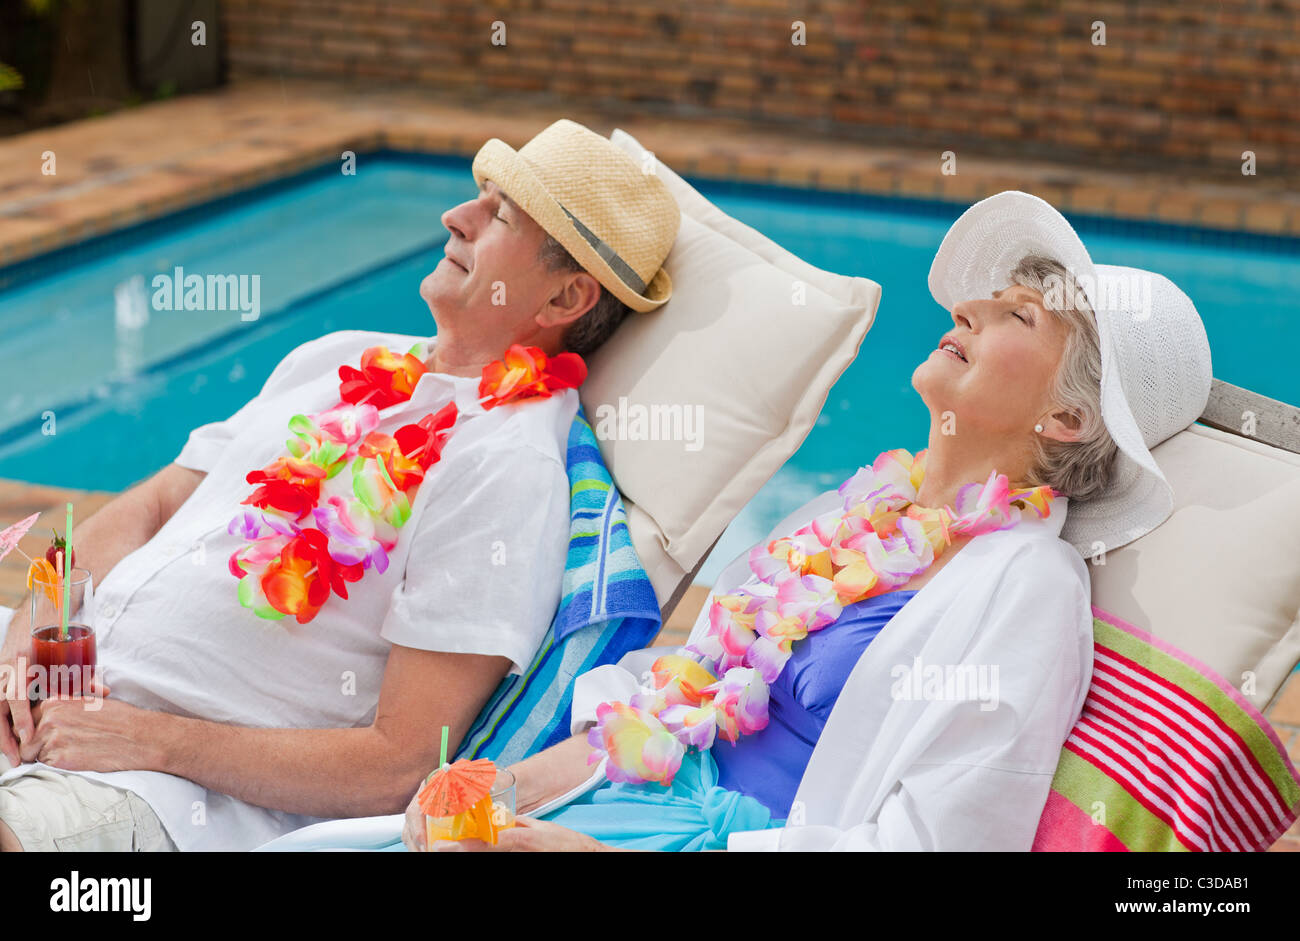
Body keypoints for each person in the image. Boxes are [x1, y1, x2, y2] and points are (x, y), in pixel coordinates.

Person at [402, 190, 1214, 852]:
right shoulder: (853, 514)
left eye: (1017, 317)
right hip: (618, 799)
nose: (968, 309)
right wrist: (510, 784)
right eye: (987, 300)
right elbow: (679, 699)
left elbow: (936, 841)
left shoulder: (1028, 588)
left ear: (1067, 417)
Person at [0, 119, 681, 852]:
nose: (458, 216)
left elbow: (402, 759)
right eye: (480, 197)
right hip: (49, 705)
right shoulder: (338, 356)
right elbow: (157, 499)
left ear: (564, 298)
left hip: (150, 793)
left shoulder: (506, 467)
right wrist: (29, 637)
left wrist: (149, 740)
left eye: (500, 216)